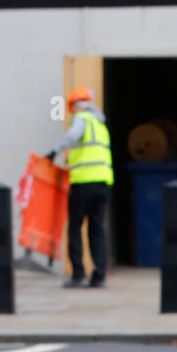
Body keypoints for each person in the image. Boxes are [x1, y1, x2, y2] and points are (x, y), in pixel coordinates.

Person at [45, 86, 114, 288]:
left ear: (75, 105)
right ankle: (99, 275)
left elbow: (72, 136)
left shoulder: (82, 118)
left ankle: (78, 274)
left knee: (75, 228)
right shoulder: (101, 124)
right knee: (97, 229)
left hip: (84, 184)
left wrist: (54, 152)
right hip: (103, 184)